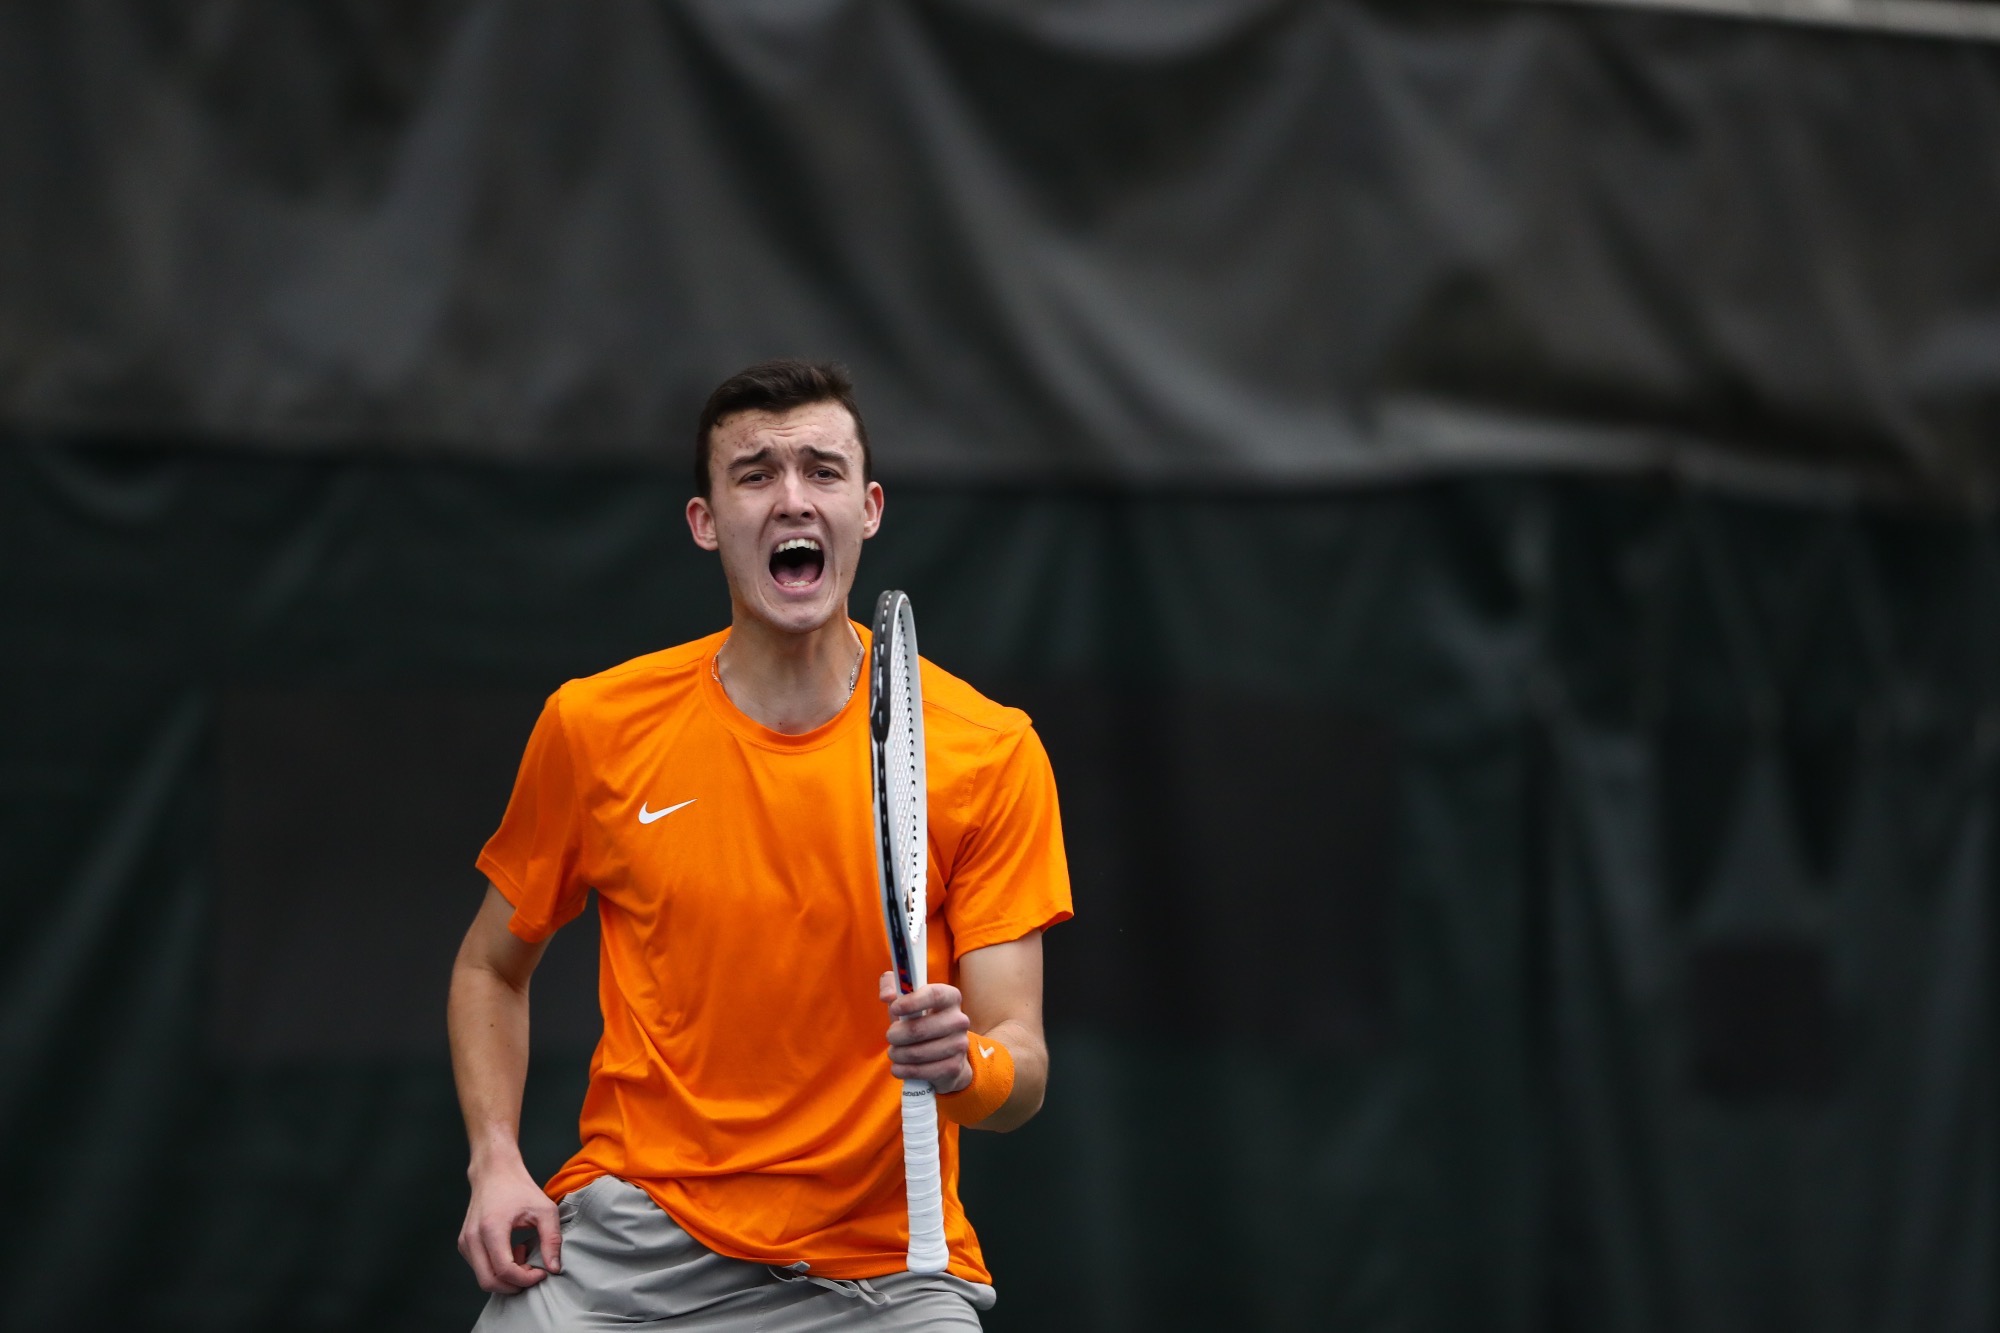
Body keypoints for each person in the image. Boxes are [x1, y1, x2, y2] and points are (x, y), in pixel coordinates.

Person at [448, 360, 1072, 1330]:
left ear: (866, 509)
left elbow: (1019, 1064)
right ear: (705, 521)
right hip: (631, 1244)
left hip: (883, 1272)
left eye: (822, 471)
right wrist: (495, 1162)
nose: (792, 497)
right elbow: (491, 964)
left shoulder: (987, 749)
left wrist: (967, 1065)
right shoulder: (594, 725)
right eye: (755, 473)